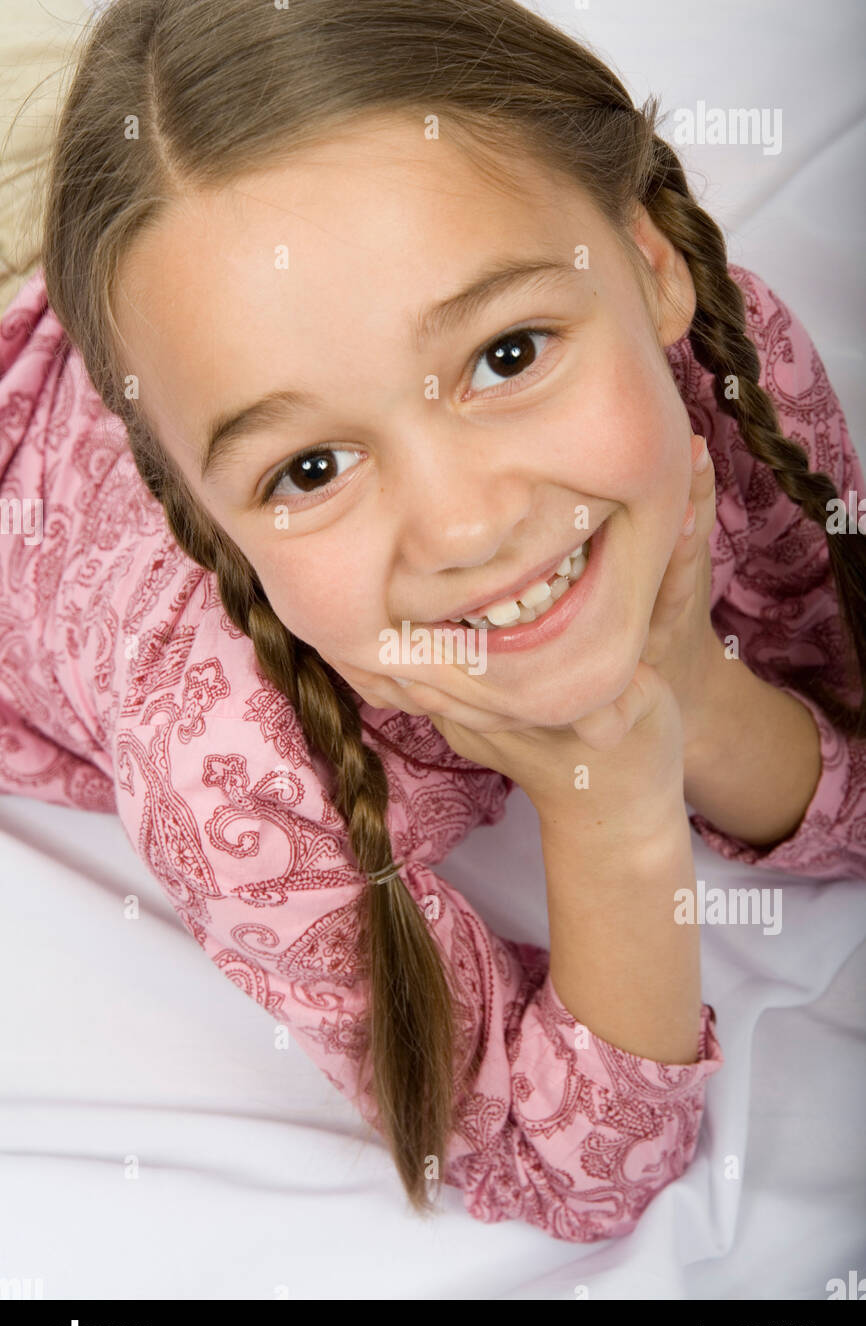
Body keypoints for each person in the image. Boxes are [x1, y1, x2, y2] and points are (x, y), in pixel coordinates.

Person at [0, 0, 863, 1245]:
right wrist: (608, 810)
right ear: (195, 511)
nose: (463, 528)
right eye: (309, 470)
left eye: (508, 354)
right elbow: (570, 1174)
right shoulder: (225, 766)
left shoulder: (728, 375)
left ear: (653, 264)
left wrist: (691, 684)